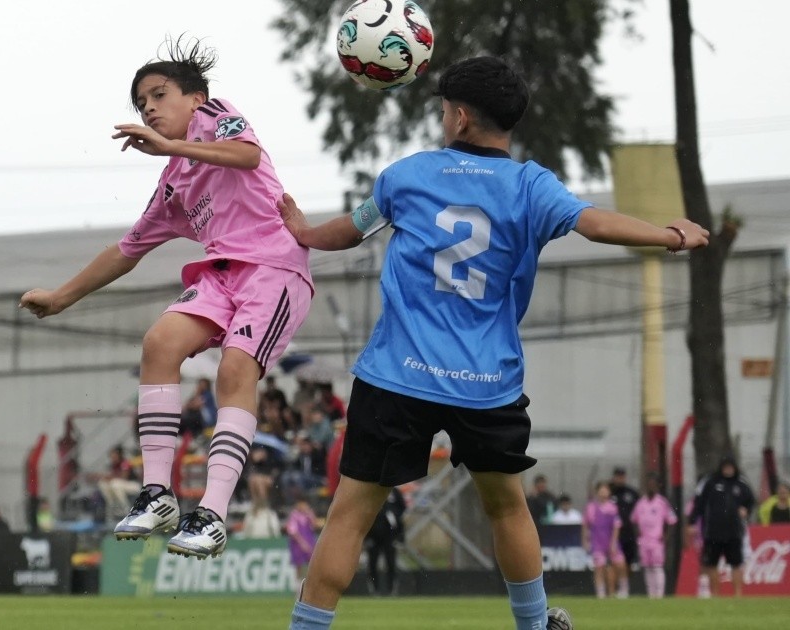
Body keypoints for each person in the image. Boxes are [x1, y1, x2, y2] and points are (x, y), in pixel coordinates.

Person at [279, 56, 709, 630]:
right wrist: (669, 235)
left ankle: (307, 627)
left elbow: (350, 229)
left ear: (459, 117)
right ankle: (533, 626)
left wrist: (304, 231)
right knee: (507, 506)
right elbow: (594, 223)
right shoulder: (532, 185)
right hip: (486, 382)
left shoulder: (408, 176)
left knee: (350, 515)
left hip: (395, 375)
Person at [19, 38, 313, 559]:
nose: (149, 109)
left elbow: (246, 156)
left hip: (274, 271)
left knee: (234, 371)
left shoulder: (218, 116)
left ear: (196, 99)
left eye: (158, 95)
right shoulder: (173, 182)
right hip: (221, 277)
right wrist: (63, 297)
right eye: (141, 104)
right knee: (158, 343)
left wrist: (175, 147)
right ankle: (157, 495)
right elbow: (127, 249)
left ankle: (214, 514)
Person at [687, 455, 755, 597]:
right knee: (712, 564)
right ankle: (716, 595)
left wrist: (746, 510)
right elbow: (699, 503)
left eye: (731, 467)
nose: (728, 470)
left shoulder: (741, 484)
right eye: (726, 467)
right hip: (713, 531)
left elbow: (751, 500)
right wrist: (692, 522)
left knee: (736, 564)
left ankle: (738, 594)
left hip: (734, 532)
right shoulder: (710, 483)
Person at [630, 474, 677, 598]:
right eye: (649, 484)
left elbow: (672, 521)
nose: (651, 487)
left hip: (657, 540)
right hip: (644, 540)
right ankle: (651, 594)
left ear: (658, 486)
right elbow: (633, 520)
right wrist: (638, 534)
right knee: (647, 567)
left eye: (653, 485)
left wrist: (666, 537)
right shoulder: (640, 503)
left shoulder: (662, 502)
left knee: (657, 567)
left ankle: (659, 594)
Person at [584, 482, 626, 599]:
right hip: (597, 543)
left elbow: (616, 526)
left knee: (620, 565)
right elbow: (586, 525)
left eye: (605, 490)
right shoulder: (591, 507)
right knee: (599, 567)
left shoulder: (612, 508)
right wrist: (585, 541)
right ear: (597, 492)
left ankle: (623, 589)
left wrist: (613, 542)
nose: (603, 493)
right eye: (601, 490)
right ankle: (601, 593)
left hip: (611, 541)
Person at [365, 486, 406, 595]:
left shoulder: (395, 491)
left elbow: (402, 509)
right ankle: (374, 589)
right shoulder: (372, 490)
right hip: (373, 535)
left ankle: (392, 589)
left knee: (391, 563)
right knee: (372, 563)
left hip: (389, 535)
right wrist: (366, 536)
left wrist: (399, 535)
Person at [609, 467, 641, 577]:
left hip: (629, 533)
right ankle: (615, 587)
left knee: (628, 562)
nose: (620, 479)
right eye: (617, 477)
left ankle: (625, 586)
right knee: (615, 562)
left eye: (622, 477)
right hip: (613, 534)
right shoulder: (609, 493)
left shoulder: (632, 493)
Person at [97, 445, 142, 520]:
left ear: (119, 455)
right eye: (111, 456)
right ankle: (112, 506)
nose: (112, 458)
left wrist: (110, 477)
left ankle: (126, 509)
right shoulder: (112, 465)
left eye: (114, 456)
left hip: (134, 484)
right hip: (122, 485)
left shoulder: (125, 462)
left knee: (115, 484)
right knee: (103, 484)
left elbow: (124, 476)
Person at [287, 499, 320, 581]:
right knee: (298, 566)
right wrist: (302, 543)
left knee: (312, 565)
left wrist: (310, 514)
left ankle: (311, 583)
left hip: (309, 542)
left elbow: (315, 525)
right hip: (298, 545)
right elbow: (292, 531)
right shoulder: (294, 516)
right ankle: (298, 588)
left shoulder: (308, 516)